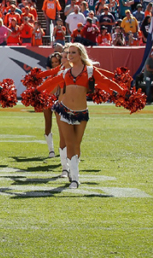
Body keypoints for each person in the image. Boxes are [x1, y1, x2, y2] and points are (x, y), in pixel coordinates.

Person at [37, 43, 125, 188]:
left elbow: (106, 81)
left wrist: (123, 92)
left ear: (80, 55)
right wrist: (36, 91)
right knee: (70, 143)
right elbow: (50, 82)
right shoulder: (65, 73)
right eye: (68, 53)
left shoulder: (90, 71)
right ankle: (75, 178)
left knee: (77, 145)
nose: (69, 55)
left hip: (81, 113)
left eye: (73, 53)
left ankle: (72, 170)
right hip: (64, 110)